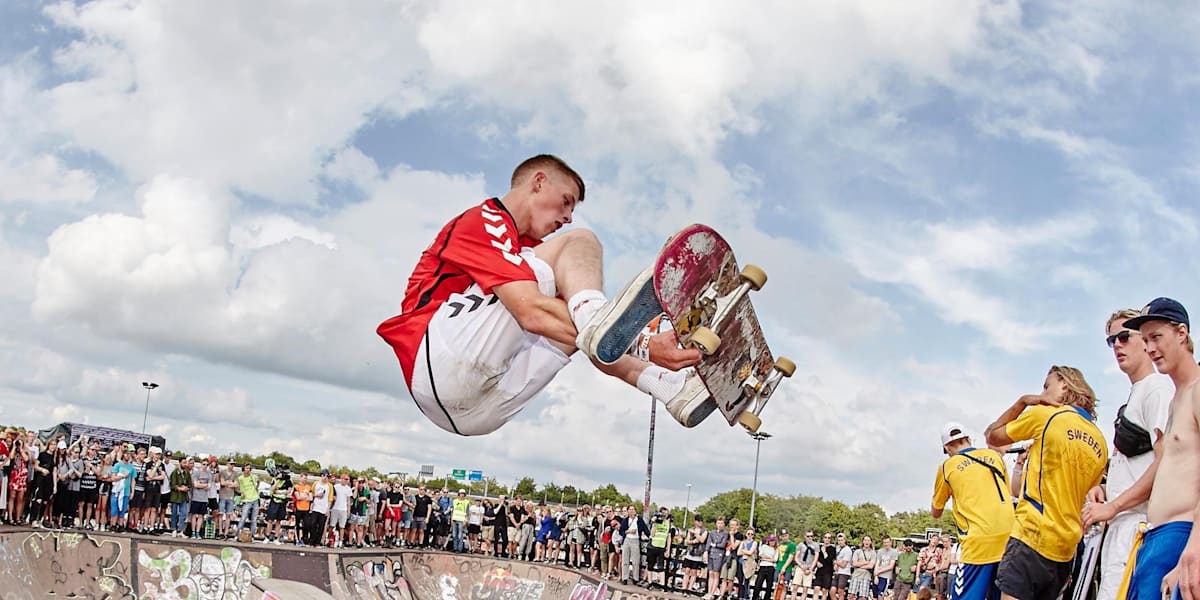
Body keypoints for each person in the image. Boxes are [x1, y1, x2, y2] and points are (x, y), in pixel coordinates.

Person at [376, 155, 706, 436]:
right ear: (538, 182)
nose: (568, 217)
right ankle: (615, 329)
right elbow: (531, 312)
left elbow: (564, 325)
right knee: (580, 243)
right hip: (436, 359)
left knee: (576, 312)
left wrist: (637, 341)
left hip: (477, 413)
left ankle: (669, 387)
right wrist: (642, 343)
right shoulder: (486, 221)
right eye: (566, 201)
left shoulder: (533, 256)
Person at [984, 366, 1108, 600]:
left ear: (1064, 385)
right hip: (1065, 550)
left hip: (1032, 534)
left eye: (1046, 386)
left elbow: (992, 436)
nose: (1042, 393)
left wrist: (1022, 402)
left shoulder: (1048, 415)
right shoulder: (1100, 442)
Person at [1077, 307, 1175, 600]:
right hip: (1119, 527)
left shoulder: (1156, 390)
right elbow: (1137, 465)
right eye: (1111, 341)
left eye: (1123, 337)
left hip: (1139, 526)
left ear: (1145, 340)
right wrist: (1106, 490)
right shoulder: (1135, 395)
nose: (1117, 346)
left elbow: (1167, 462)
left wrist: (1114, 505)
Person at [1110, 299, 1200, 599]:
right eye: (1146, 340)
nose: (1150, 348)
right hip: (1155, 536)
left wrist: (1195, 547)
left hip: (1183, 535)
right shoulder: (1176, 401)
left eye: (1157, 337)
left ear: (1181, 333)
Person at [931, 423, 1014, 600]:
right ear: (968, 439)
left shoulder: (947, 466)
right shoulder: (994, 456)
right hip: (1009, 539)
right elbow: (1007, 493)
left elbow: (936, 511)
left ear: (947, 447)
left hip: (978, 542)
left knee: (965, 595)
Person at [235, 464, 259, 541]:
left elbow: (258, 482)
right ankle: (238, 534)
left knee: (254, 519)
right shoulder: (240, 478)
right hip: (246, 500)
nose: (248, 470)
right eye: (247, 468)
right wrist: (241, 493)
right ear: (243, 469)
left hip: (255, 498)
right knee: (243, 518)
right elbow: (236, 488)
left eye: (249, 468)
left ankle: (252, 536)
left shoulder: (253, 476)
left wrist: (257, 487)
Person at [849, 536, 877, 600]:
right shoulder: (857, 551)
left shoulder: (873, 553)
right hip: (856, 575)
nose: (867, 542)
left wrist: (859, 565)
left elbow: (871, 566)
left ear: (871, 542)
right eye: (865, 540)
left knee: (863, 597)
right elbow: (854, 564)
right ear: (863, 541)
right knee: (851, 595)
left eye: (868, 540)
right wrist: (866, 562)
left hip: (866, 576)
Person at [755, 535, 780, 600]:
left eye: (773, 541)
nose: (772, 542)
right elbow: (761, 555)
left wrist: (765, 558)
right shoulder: (764, 546)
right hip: (762, 567)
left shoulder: (776, 549)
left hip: (771, 568)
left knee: (769, 586)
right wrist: (769, 558)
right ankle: (755, 597)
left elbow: (775, 559)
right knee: (758, 584)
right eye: (771, 540)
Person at [833, 533, 853, 600]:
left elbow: (843, 565)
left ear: (845, 540)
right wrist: (835, 564)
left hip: (844, 573)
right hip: (837, 572)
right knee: (832, 591)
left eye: (842, 540)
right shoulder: (837, 548)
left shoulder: (847, 550)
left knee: (840, 591)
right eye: (839, 540)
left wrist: (836, 562)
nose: (840, 542)